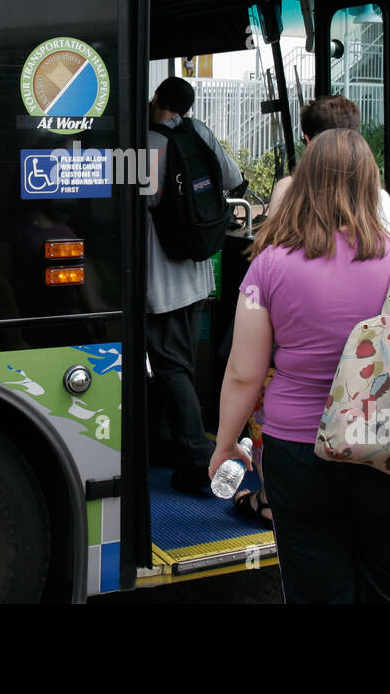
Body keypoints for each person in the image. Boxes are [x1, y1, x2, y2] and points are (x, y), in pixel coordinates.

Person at [210, 128, 390, 602]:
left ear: (305, 182)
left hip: (301, 450)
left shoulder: (269, 265)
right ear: (372, 182)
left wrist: (225, 444)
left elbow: (244, 372)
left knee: (314, 588)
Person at [236, 95, 390, 524]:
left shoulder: (288, 191)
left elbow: (266, 258)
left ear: (308, 141)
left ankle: (269, 496)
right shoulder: (383, 203)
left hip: (297, 414)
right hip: (377, 406)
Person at [146, 76, 245, 493]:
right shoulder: (200, 131)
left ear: (158, 102)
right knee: (180, 364)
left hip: (161, 278)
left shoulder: (150, 143)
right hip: (199, 274)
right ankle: (162, 442)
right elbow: (233, 179)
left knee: (171, 368)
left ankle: (200, 462)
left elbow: (145, 199)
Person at [268, 95, 390, 233]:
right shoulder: (381, 199)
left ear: (308, 141)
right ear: (355, 138)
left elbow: (272, 242)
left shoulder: (287, 191)